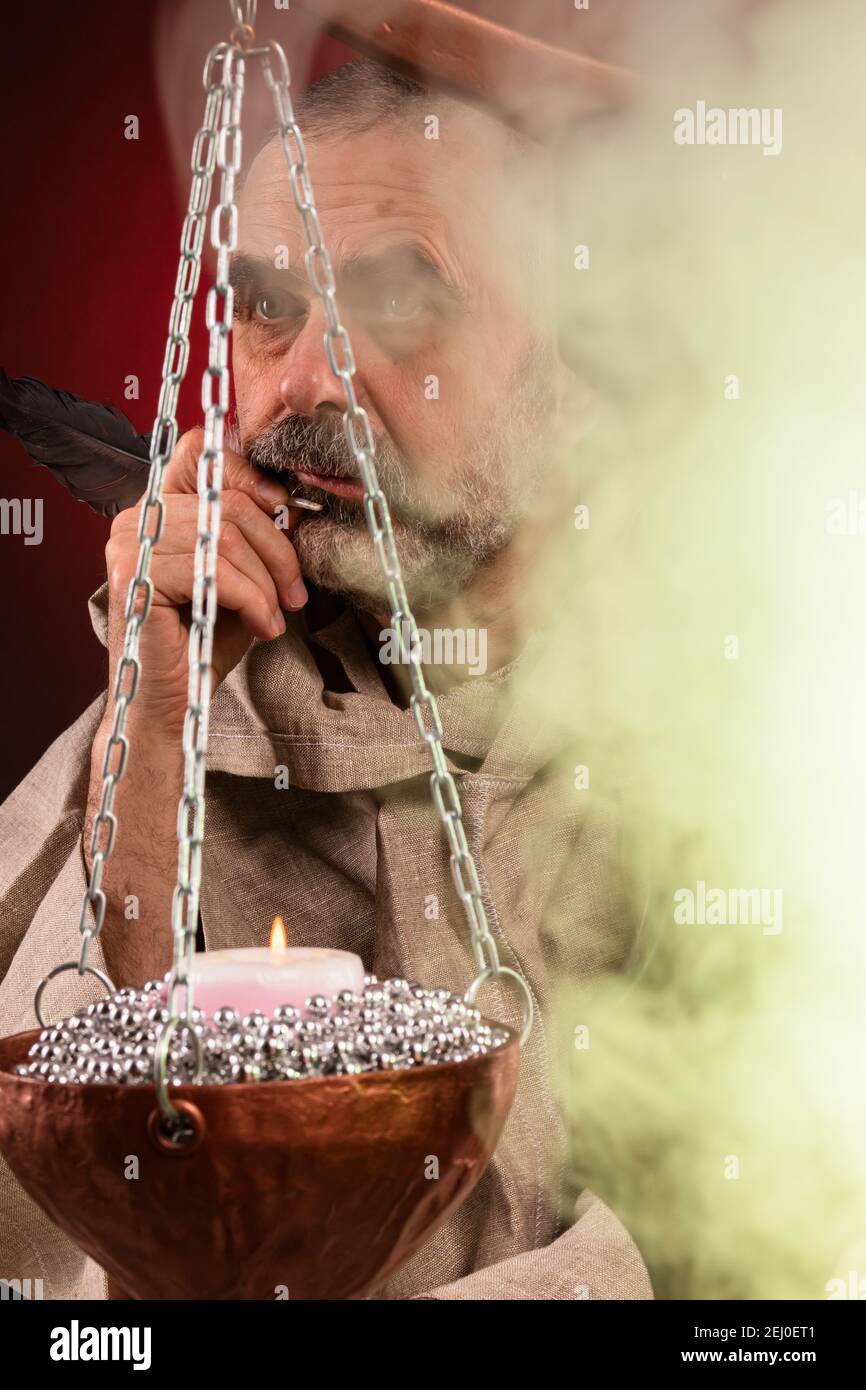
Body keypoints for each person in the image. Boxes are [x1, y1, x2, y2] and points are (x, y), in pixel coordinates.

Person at [0, 59, 652, 1300]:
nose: (302, 384)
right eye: (266, 308)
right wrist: (155, 711)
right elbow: (59, 1252)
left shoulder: (748, 735)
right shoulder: (180, 711)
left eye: (400, 302)